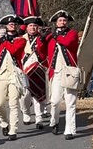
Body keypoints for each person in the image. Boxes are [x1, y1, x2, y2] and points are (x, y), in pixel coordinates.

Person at [0, 15, 26, 140]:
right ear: (6, 26)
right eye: (10, 24)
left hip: (15, 74)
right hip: (2, 74)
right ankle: (4, 123)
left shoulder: (21, 39)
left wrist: (3, 39)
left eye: (14, 23)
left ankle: (13, 130)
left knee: (13, 104)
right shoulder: (0, 39)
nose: (12, 25)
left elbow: (13, 50)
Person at [41, 10, 79, 139]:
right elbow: (41, 52)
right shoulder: (50, 37)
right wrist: (42, 38)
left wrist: (56, 36)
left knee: (70, 103)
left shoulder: (72, 33)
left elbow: (68, 42)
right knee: (55, 101)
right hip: (56, 72)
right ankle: (54, 120)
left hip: (69, 72)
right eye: (60, 20)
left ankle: (70, 130)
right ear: (56, 23)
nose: (62, 22)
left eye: (64, 20)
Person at [19, 16, 48, 129]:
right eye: (30, 25)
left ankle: (39, 118)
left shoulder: (42, 38)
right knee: (25, 95)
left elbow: (44, 53)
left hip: (38, 68)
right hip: (24, 69)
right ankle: (26, 113)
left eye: (35, 26)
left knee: (38, 94)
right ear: (26, 28)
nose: (33, 27)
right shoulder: (21, 38)